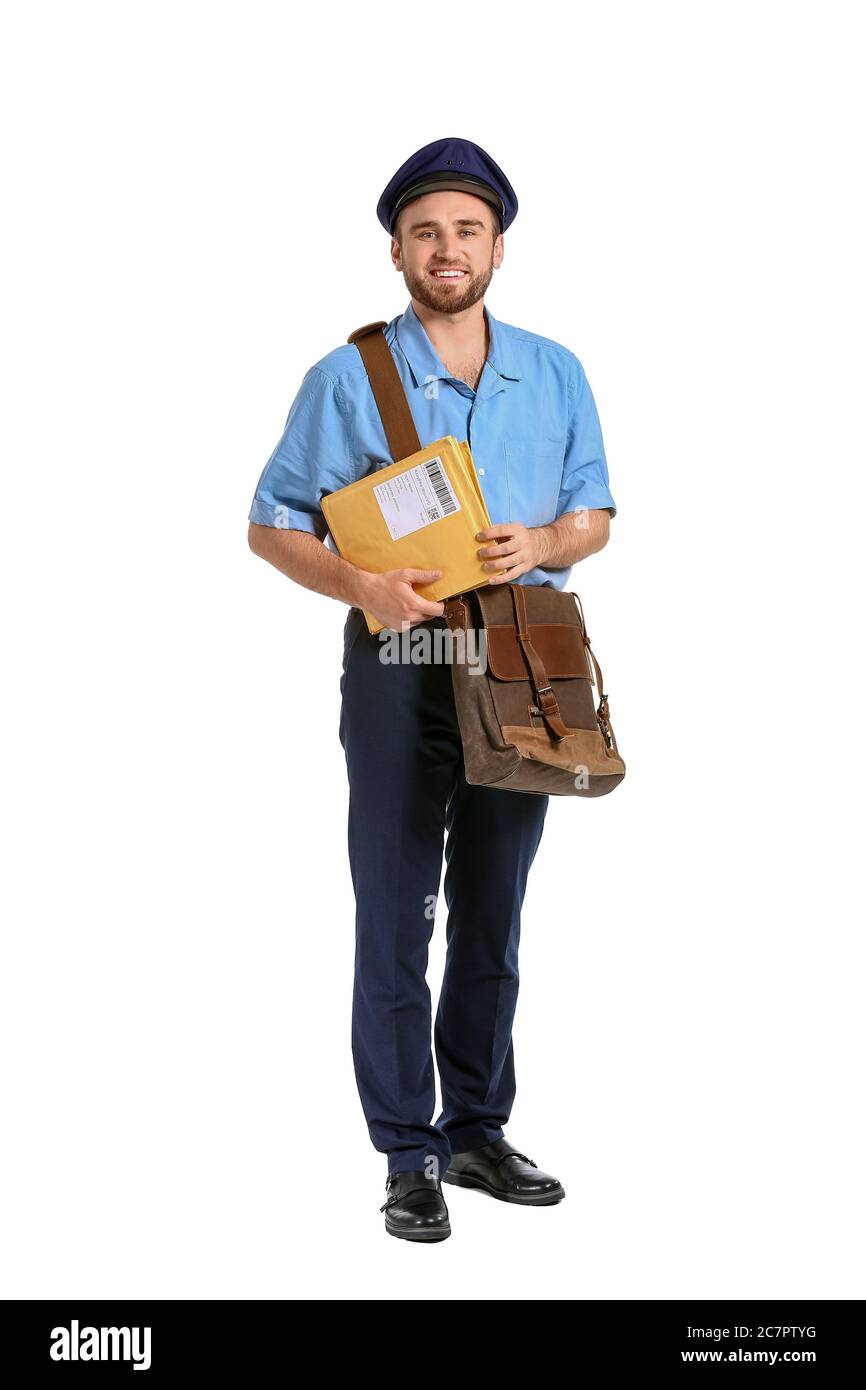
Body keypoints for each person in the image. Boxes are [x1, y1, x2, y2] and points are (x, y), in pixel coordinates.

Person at [247, 137, 617, 1243]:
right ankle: (406, 1149)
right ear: (397, 250)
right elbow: (268, 524)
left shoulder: (554, 371)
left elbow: (595, 515)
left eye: (465, 229)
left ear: (496, 243)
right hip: (400, 667)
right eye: (424, 232)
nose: (446, 249)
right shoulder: (346, 377)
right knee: (397, 912)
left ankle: (476, 1131)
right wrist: (359, 579)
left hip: (518, 664)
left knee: (493, 914)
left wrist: (546, 537)